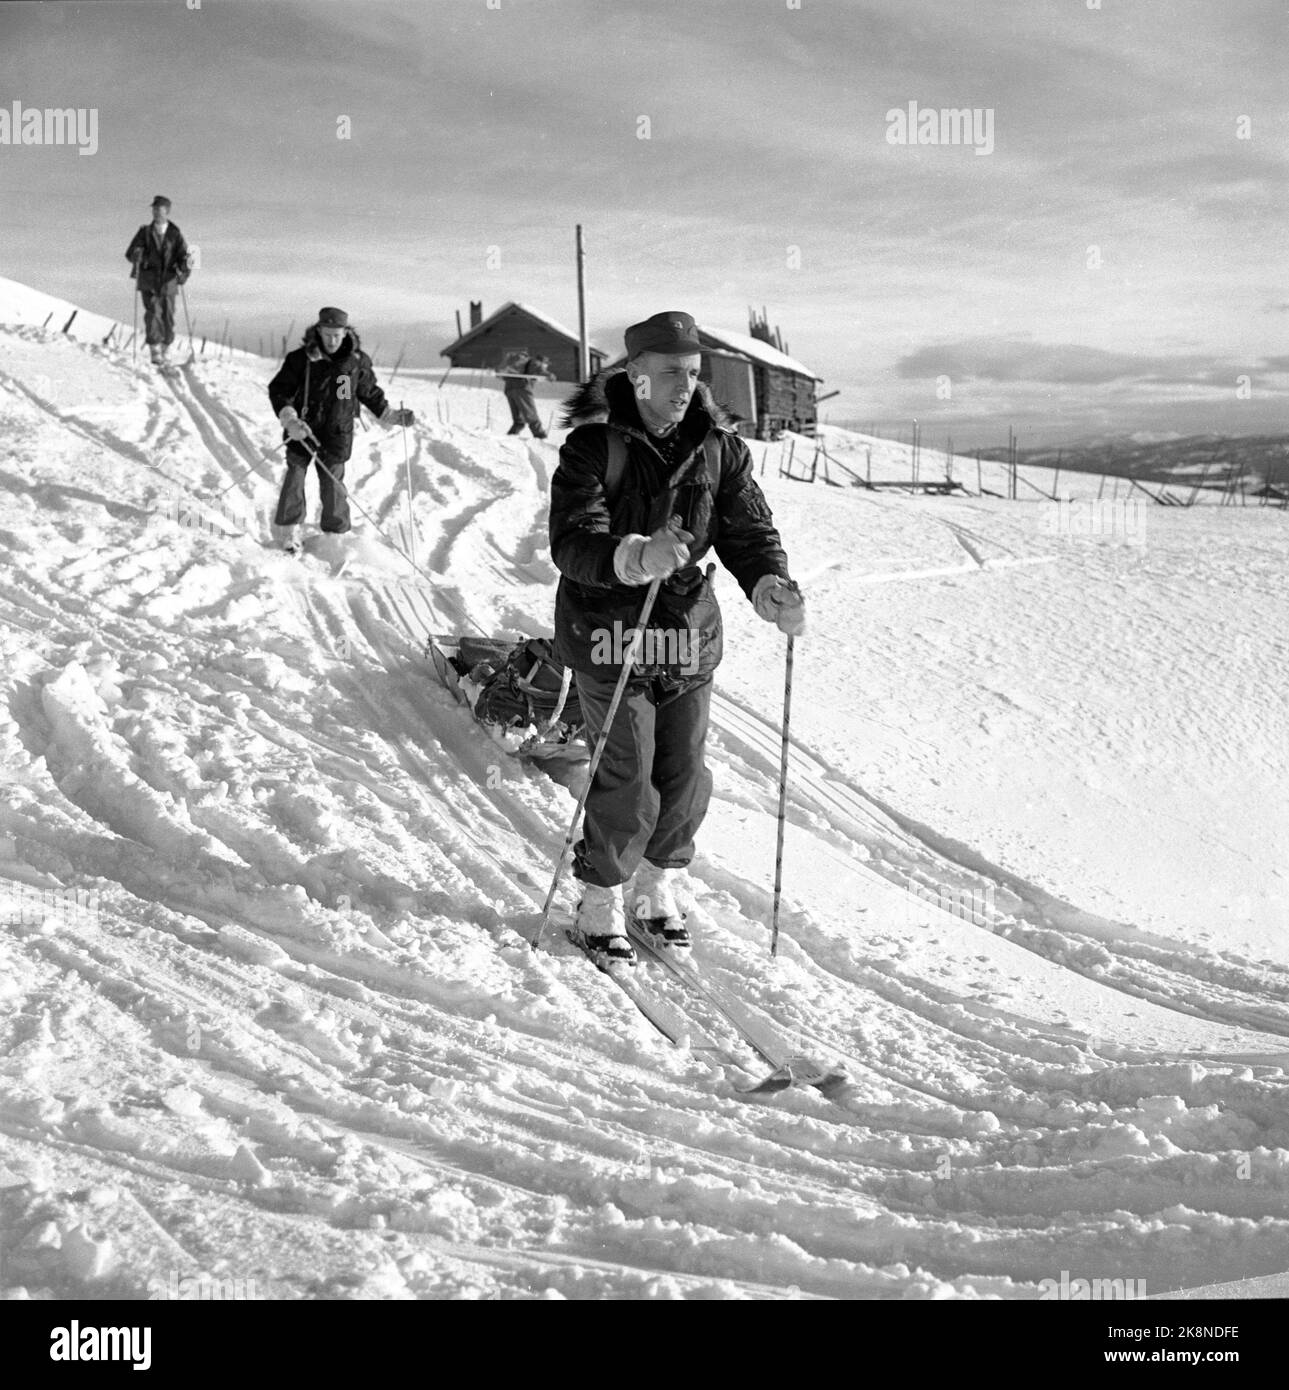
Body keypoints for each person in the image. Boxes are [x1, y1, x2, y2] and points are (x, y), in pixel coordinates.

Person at [549, 310, 806, 966]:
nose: (684, 385)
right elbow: (573, 539)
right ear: (633, 376)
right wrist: (632, 557)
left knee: (684, 773)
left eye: (693, 374)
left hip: (687, 635)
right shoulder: (591, 449)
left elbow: (746, 530)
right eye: (669, 373)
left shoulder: (720, 449)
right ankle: (599, 897)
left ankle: (654, 886)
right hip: (608, 633)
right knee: (628, 776)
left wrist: (769, 583)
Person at [266, 306, 414, 553]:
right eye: (327, 334)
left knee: (333, 482)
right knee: (295, 477)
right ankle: (290, 531)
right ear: (319, 331)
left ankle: (335, 535)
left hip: (337, 431)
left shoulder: (356, 362)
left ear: (346, 332)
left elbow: (369, 393)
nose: (332, 340)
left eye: (337, 334)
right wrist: (290, 420)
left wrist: (390, 415)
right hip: (302, 429)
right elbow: (279, 390)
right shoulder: (300, 359)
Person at [125, 195, 191, 368]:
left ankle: (166, 347)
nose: (155, 211)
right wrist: (137, 255)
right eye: (154, 209)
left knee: (168, 315)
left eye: (159, 208)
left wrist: (183, 272)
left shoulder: (175, 234)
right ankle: (155, 349)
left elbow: (186, 257)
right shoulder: (144, 232)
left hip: (169, 281)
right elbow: (130, 253)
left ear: (166, 211)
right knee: (153, 313)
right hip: (149, 279)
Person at [499, 348, 555, 438]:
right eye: (546, 364)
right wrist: (549, 374)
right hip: (521, 388)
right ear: (543, 362)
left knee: (518, 417)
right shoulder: (536, 362)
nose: (546, 366)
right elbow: (539, 368)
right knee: (530, 412)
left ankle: (511, 435)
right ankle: (540, 435)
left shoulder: (520, 364)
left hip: (509, 388)